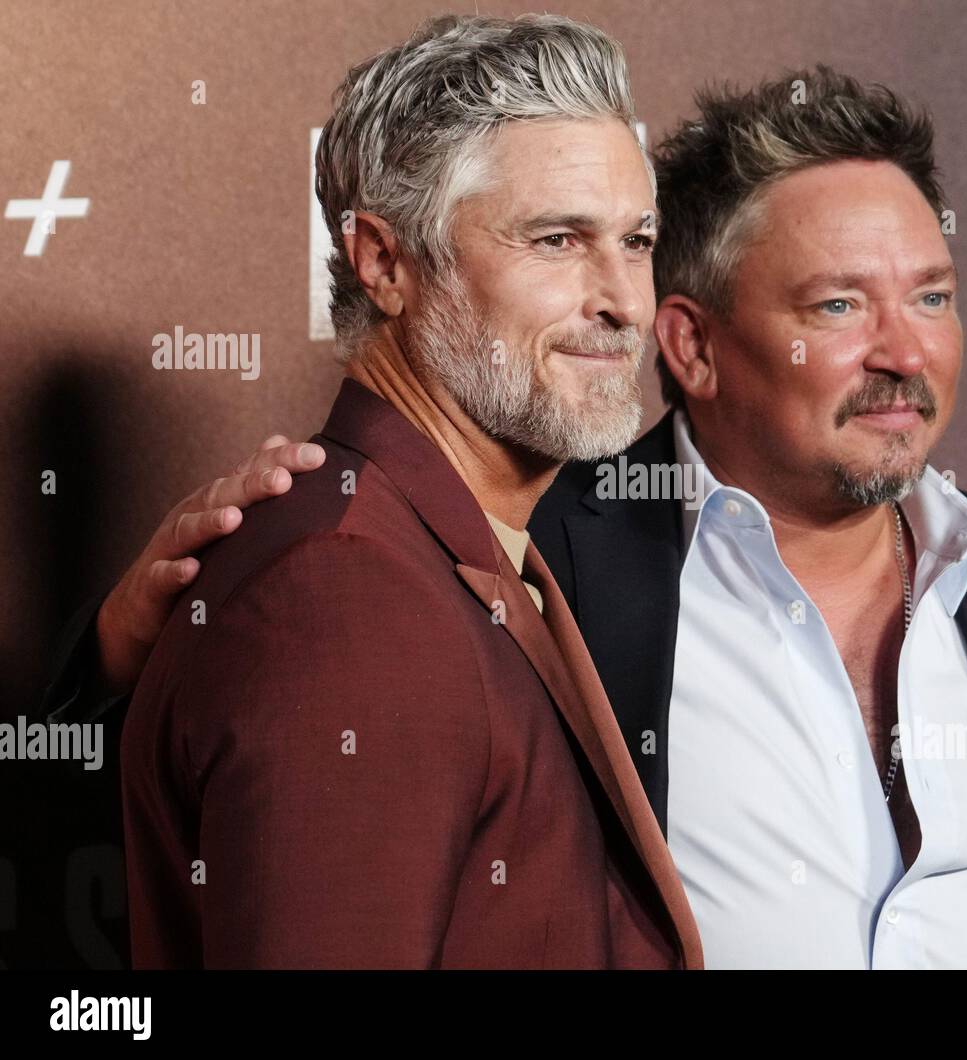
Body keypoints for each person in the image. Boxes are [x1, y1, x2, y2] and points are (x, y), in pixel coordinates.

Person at [42, 65, 967, 970]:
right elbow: (219, 850)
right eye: (839, 304)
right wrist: (110, 664)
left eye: (934, 297)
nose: (905, 352)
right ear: (690, 344)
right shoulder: (512, 564)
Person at [83, 12, 704, 969]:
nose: (624, 300)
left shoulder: (459, 545)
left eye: (636, 239)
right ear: (383, 263)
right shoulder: (344, 593)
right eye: (556, 240)